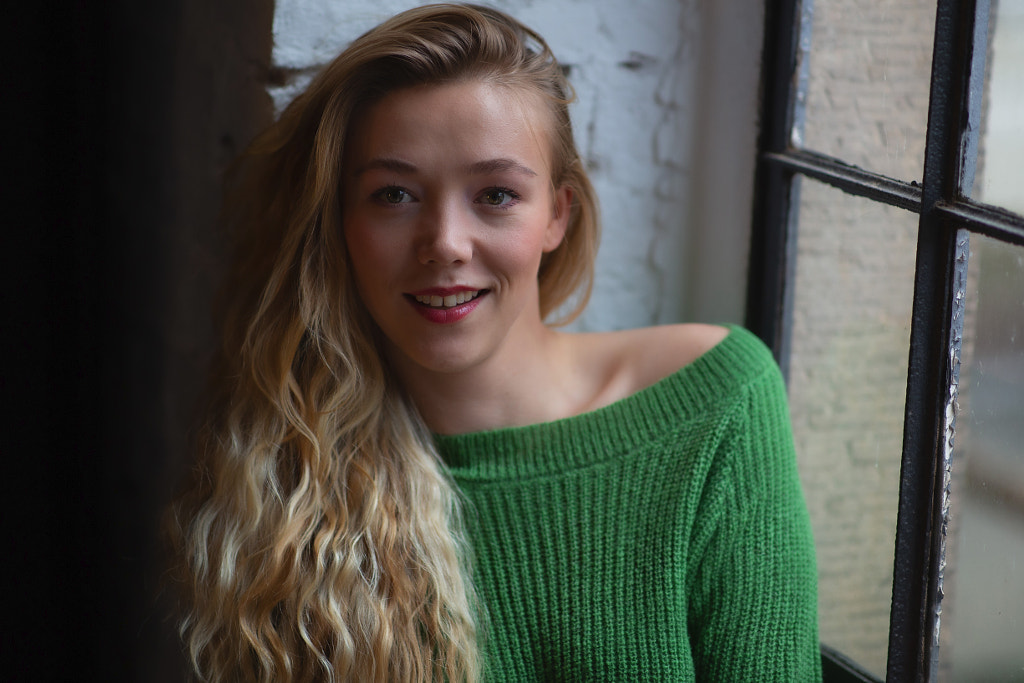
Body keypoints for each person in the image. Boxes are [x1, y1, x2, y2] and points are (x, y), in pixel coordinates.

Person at [169, 4, 821, 681]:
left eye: (497, 195)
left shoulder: (715, 403)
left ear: (557, 215)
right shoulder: (286, 484)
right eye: (393, 193)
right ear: (338, 223)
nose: (446, 243)